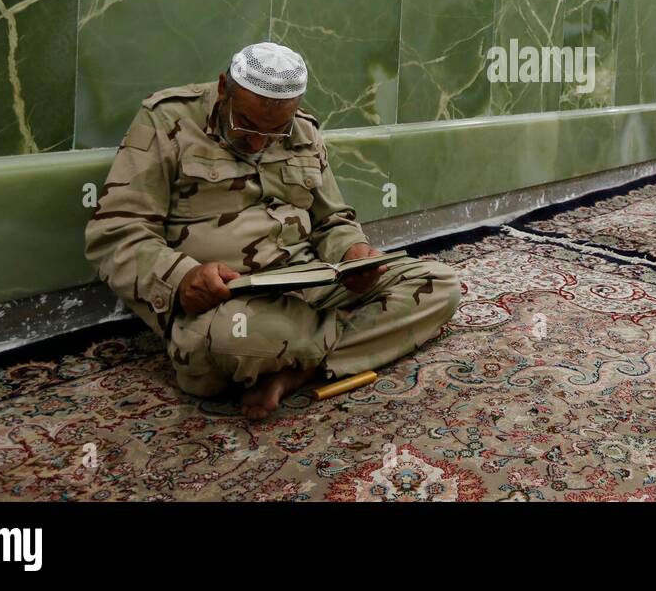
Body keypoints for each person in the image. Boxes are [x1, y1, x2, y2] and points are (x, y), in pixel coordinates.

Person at [85, 42, 461, 419]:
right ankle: (339, 344)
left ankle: (298, 367)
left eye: (275, 132)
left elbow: (332, 221)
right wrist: (181, 279)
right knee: (237, 339)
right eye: (245, 125)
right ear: (222, 88)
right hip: (228, 305)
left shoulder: (304, 130)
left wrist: (353, 254)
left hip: (309, 286)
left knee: (438, 284)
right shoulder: (166, 121)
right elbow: (116, 231)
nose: (258, 142)